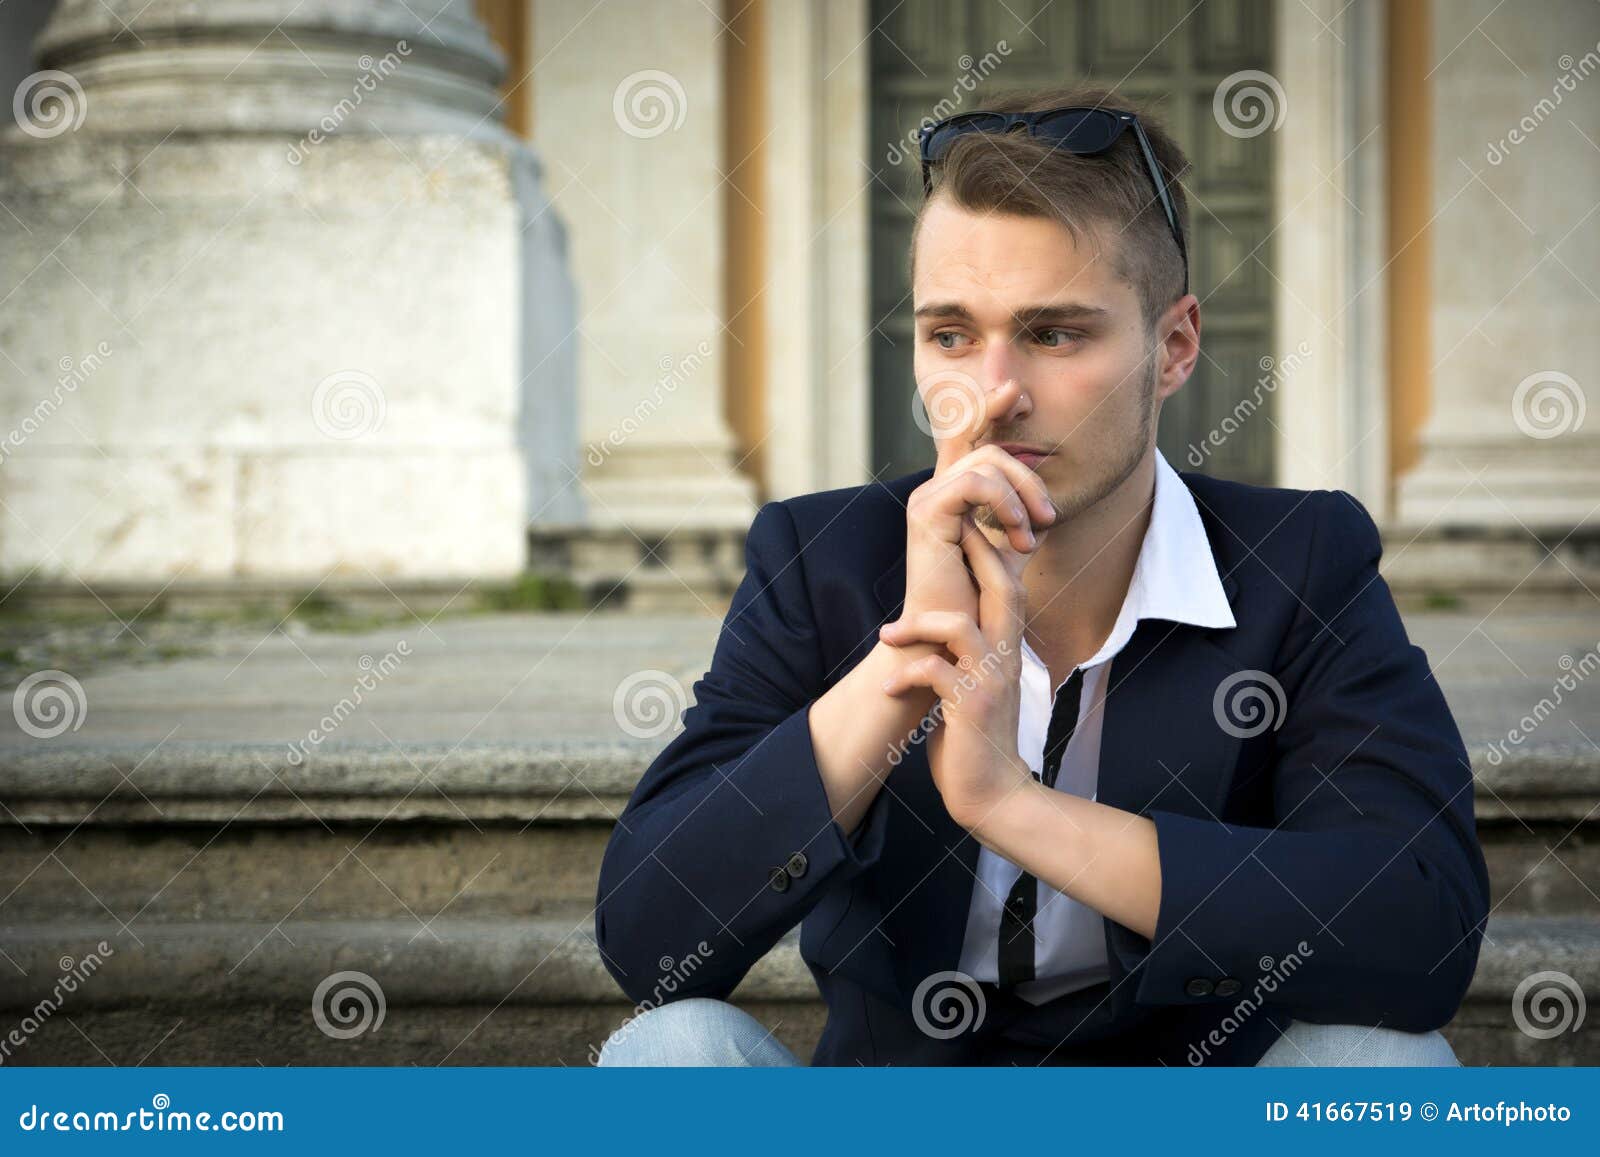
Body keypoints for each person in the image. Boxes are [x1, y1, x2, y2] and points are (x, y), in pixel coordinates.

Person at [593, 84, 1489, 1067]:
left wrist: (1012, 805)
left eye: (1054, 333)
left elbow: (1421, 926)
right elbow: (650, 940)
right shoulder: (823, 560)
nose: (994, 394)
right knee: (669, 1050)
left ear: (1174, 346)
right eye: (950, 335)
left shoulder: (1301, 560)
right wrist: (903, 671)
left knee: (1380, 1064)